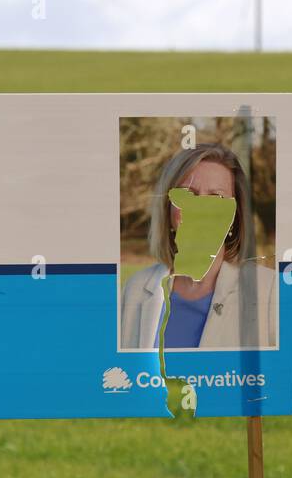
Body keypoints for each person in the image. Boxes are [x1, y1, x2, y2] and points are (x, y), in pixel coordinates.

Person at [118, 143, 277, 350]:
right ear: (168, 209)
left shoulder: (268, 291)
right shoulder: (135, 289)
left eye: (216, 197)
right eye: (187, 194)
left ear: (235, 216)